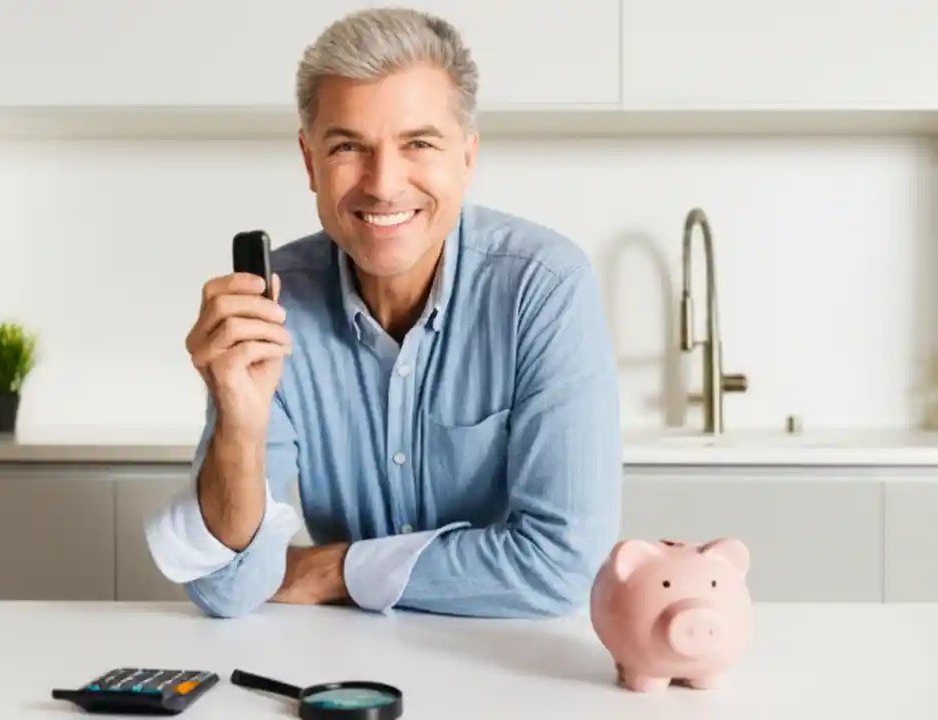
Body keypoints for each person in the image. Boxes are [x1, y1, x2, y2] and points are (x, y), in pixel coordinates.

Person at [144, 7, 621, 619]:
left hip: (507, 653)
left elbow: (562, 565)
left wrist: (333, 570)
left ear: (467, 156)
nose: (383, 184)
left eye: (418, 143)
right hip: (340, 660)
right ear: (310, 162)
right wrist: (240, 420)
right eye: (348, 147)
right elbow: (229, 587)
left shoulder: (544, 287)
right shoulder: (271, 307)